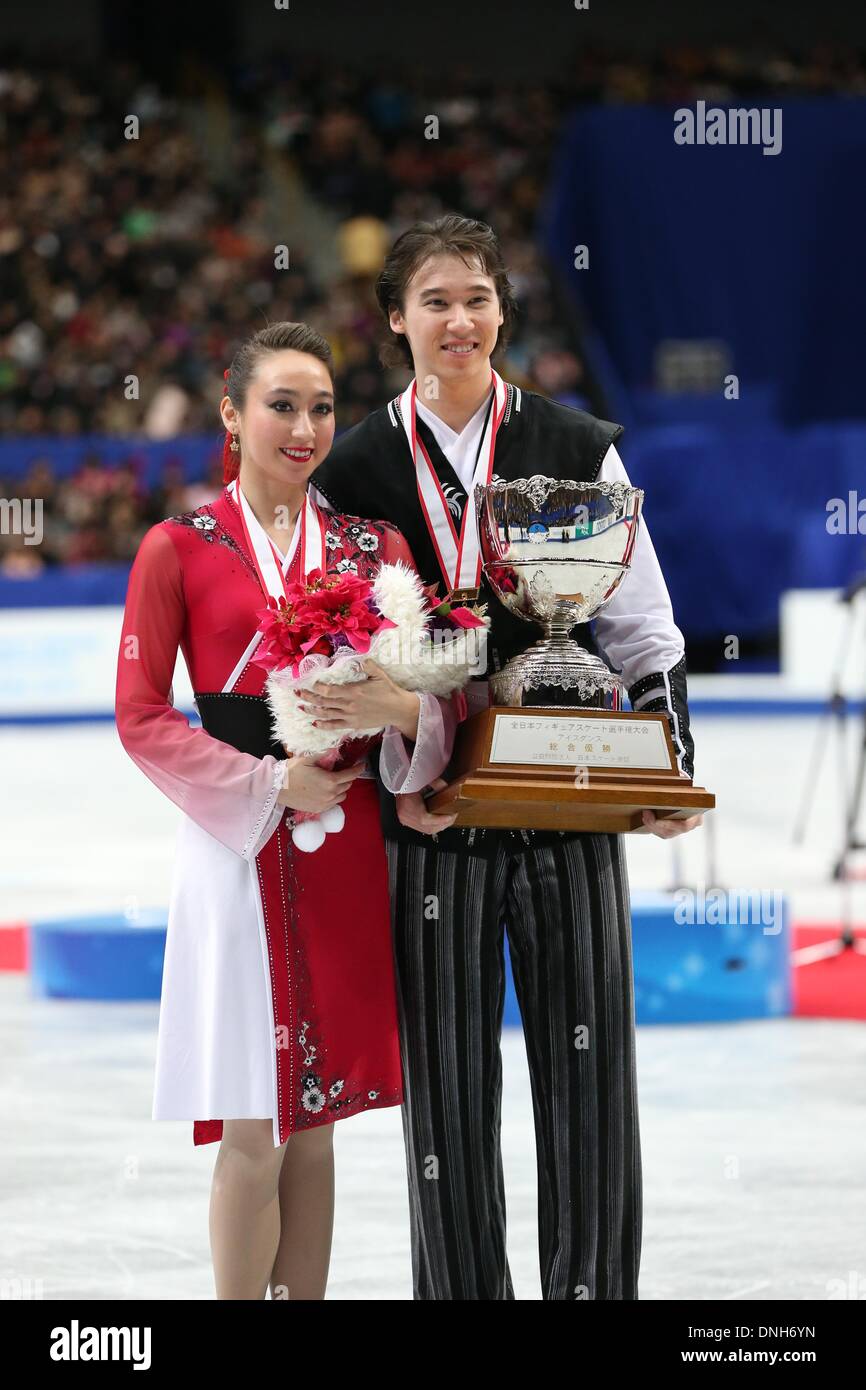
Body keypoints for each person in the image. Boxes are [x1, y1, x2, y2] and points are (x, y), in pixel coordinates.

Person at [310, 214, 704, 1300]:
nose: (457, 320)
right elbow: (334, 656)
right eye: (433, 300)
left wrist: (663, 764)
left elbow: (643, 633)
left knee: (589, 1084)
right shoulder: (351, 472)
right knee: (446, 1096)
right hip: (427, 816)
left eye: (475, 298)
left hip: (568, 802)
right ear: (395, 319)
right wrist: (393, 765)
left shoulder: (576, 448)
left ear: (501, 313)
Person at [115, 321, 464, 1299]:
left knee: (316, 1119)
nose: (304, 426)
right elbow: (140, 717)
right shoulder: (176, 548)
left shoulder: (373, 548)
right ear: (230, 413)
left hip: (345, 847)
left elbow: (425, 700)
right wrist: (270, 783)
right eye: (280, 403)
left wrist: (400, 718)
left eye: (320, 406)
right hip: (236, 855)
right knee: (253, 1126)